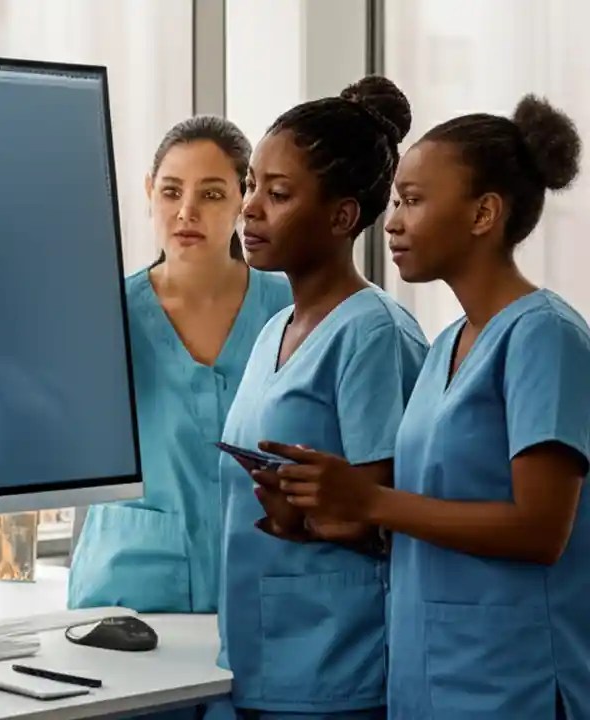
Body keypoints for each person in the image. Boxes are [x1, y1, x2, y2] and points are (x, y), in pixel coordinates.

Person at [270, 95, 590, 719]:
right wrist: (329, 518)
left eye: (413, 201)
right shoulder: (445, 345)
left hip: (511, 685)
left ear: (484, 214)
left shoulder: (544, 337)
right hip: (427, 680)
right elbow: (432, 515)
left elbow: (541, 530)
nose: (391, 222)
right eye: (394, 201)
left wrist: (371, 501)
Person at [215, 75, 429, 719]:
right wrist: (285, 512)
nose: (250, 207)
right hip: (260, 656)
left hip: (336, 666)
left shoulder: (373, 334)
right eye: (251, 184)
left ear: (342, 216)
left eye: (277, 194)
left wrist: (306, 516)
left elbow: (384, 519)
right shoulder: (274, 329)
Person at [68, 115, 292, 618]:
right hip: (129, 595)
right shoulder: (106, 315)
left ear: (244, 196)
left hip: (268, 592)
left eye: (211, 194)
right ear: (149, 192)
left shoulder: (292, 311)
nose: (186, 211)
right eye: (171, 192)